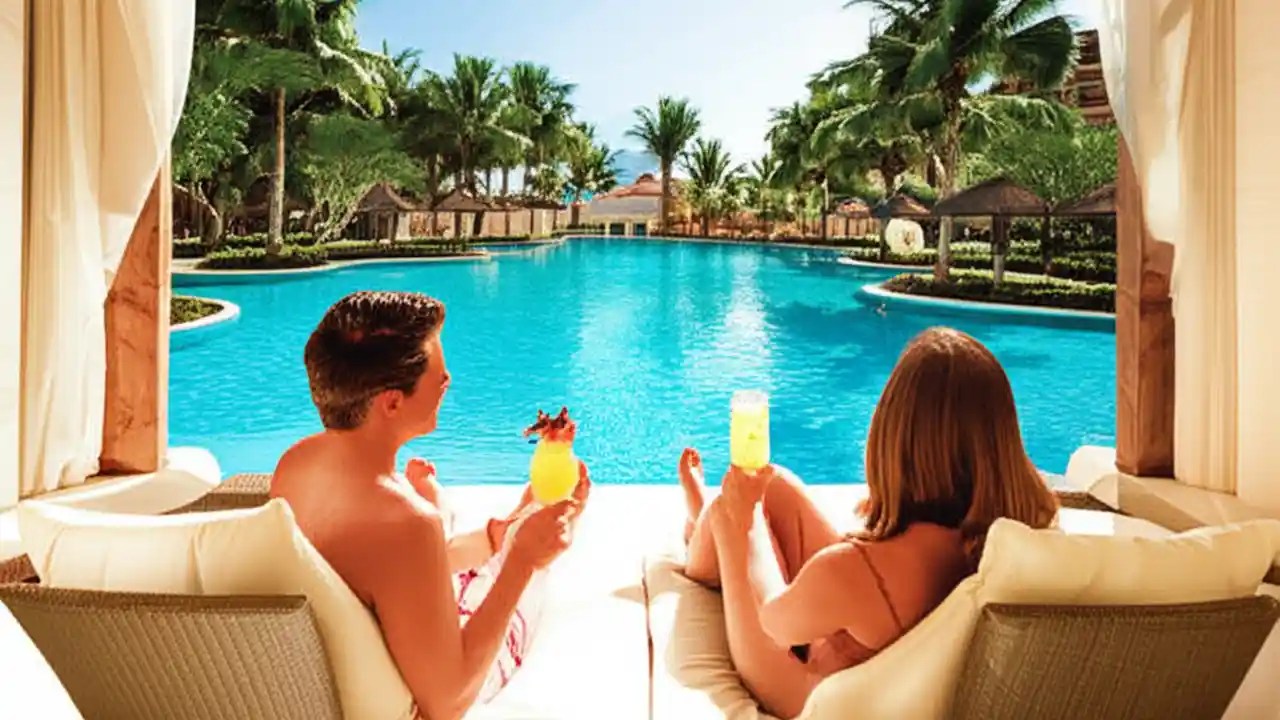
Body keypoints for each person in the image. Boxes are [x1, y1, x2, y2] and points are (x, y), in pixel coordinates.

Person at [676, 327, 1059, 719]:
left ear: (894, 440)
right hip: (877, 637)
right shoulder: (1018, 538)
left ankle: (706, 522)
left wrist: (741, 521)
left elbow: (772, 623)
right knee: (775, 485)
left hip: (804, 692)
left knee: (737, 512)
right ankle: (706, 517)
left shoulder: (857, 572)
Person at [271, 290, 589, 720]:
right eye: (437, 372)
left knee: (472, 547)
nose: (447, 380)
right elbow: (448, 703)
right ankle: (525, 526)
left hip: (366, 649)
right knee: (523, 575)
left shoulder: (296, 463)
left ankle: (517, 522)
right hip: (425, 688)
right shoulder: (405, 521)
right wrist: (523, 563)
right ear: (393, 402)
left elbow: (379, 569)